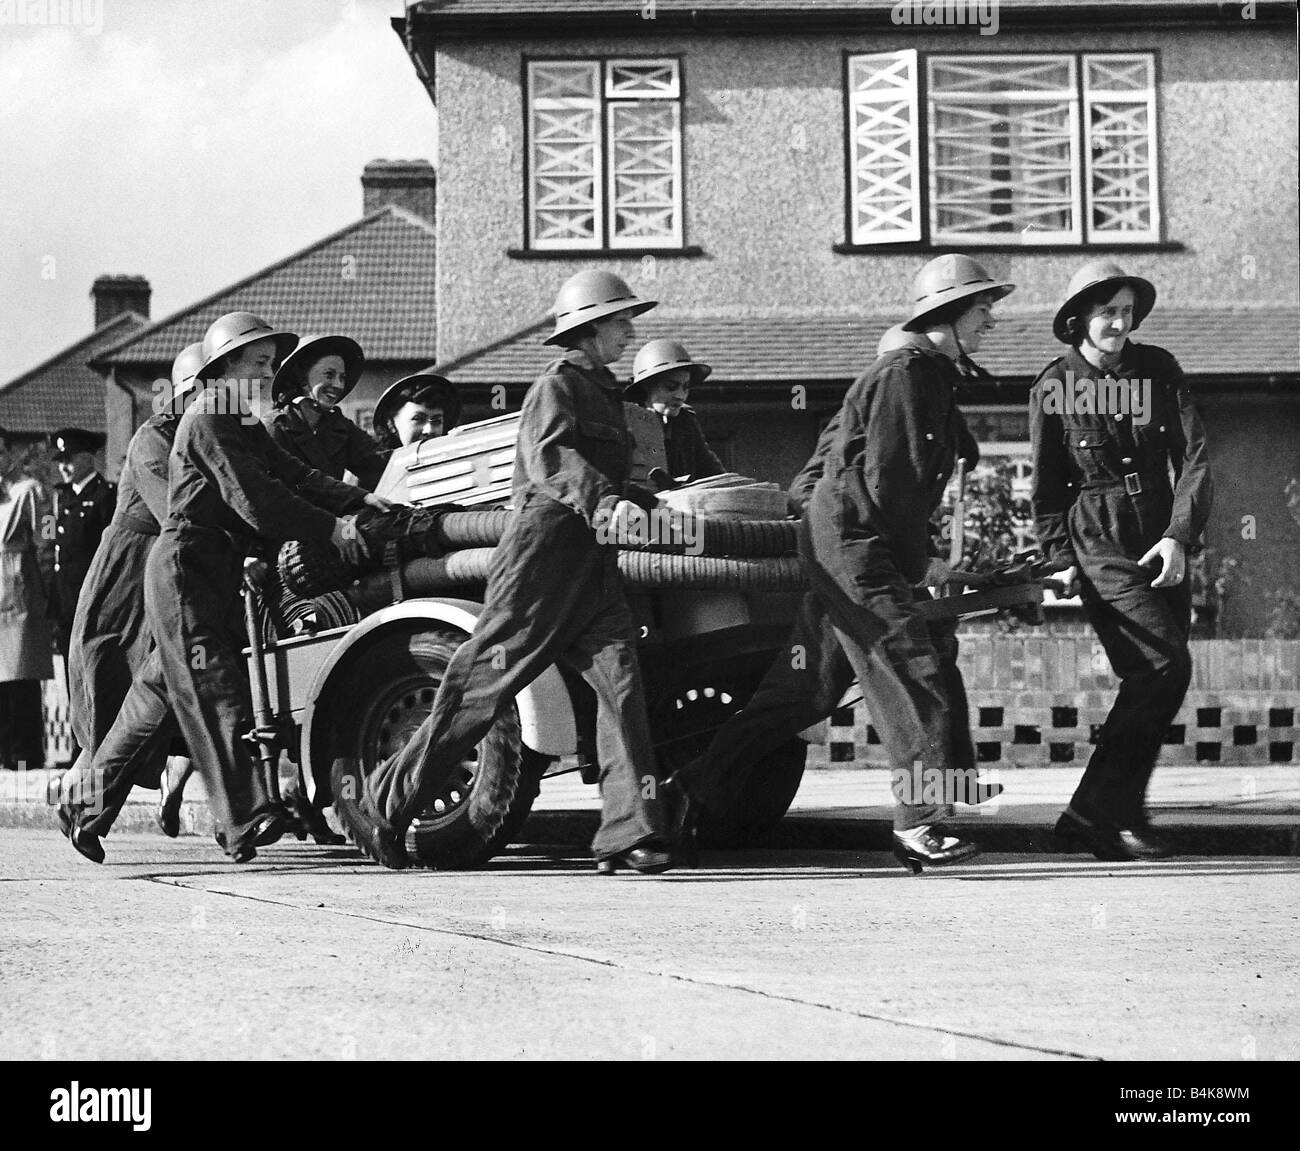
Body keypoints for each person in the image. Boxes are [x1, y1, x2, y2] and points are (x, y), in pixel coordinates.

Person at [668, 255, 1014, 872]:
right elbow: (888, 483)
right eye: (983, 309)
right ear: (950, 315)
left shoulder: (929, 378)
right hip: (857, 542)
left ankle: (695, 782)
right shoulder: (906, 376)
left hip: (849, 540)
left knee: (804, 691)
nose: (991, 321)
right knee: (910, 666)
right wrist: (922, 566)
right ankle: (921, 822)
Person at [341, 270, 673, 875]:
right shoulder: (558, 386)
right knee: (479, 691)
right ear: (591, 327)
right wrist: (605, 500)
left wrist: (647, 500)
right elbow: (552, 458)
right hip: (541, 562)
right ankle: (383, 803)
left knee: (623, 691)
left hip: (594, 569)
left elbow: (610, 474)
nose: (630, 332)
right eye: (621, 321)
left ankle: (629, 834)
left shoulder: (609, 397)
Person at [61, 311, 386, 864]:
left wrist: (360, 501)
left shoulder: (241, 422)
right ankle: (245, 817)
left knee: (157, 695)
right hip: (187, 565)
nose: (268, 372)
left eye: (270, 362)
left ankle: (85, 805)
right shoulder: (210, 417)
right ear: (224, 365)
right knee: (215, 684)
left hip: (209, 565)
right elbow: (254, 496)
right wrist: (332, 528)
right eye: (258, 362)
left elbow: (294, 474)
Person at [1030, 260, 1212, 860]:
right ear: (1080, 317)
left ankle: (1118, 812)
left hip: (1158, 533)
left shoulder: (1158, 369)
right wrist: (1059, 558)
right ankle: (1092, 813)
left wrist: (1179, 534)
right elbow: (1047, 485)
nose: (1119, 323)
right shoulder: (1055, 383)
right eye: (1108, 312)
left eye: (1127, 313)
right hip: (1097, 536)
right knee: (1161, 665)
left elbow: (1195, 458)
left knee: (1159, 674)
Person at [62, 345, 204, 835]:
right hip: (127, 575)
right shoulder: (152, 440)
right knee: (112, 686)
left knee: (146, 698)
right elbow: (175, 513)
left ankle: (86, 807)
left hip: (168, 572)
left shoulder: (200, 439)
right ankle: (79, 806)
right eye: (200, 391)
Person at [264, 334, 388, 490]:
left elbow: (379, 465)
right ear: (302, 377)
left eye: (342, 378)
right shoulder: (275, 428)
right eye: (329, 375)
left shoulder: (339, 426)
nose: (338, 385)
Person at [0, 425, 54, 772]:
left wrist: (49, 588)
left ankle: (24, 754)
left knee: (20, 672)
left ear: (10, 455)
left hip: (18, 581)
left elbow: (46, 537)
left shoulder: (29, 491)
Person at [48, 428, 115, 660]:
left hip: (93, 599)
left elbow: (110, 550)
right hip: (65, 602)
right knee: (70, 671)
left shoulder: (106, 496)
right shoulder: (61, 498)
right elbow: (50, 543)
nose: (63, 467)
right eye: (60, 461)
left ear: (87, 457)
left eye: (69, 460)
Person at [625, 339, 723, 483]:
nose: (680, 395)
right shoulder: (625, 422)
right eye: (671, 386)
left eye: (686, 387)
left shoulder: (685, 422)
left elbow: (712, 472)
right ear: (647, 386)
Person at [371, 373, 462, 451]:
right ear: (391, 424)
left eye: (436, 421)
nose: (429, 430)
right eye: (418, 419)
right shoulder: (382, 469)